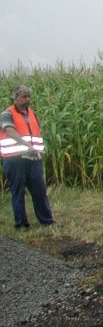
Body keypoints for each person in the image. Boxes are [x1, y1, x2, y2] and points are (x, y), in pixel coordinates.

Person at [0, 85, 55, 229]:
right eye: (24, 97)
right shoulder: (7, 114)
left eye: (28, 96)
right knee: (18, 191)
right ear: (16, 97)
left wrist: (37, 149)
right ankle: (21, 224)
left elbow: (35, 133)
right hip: (14, 158)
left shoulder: (32, 113)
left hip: (33, 158)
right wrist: (27, 145)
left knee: (39, 190)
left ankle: (47, 221)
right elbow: (10, 132)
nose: (27, 100)